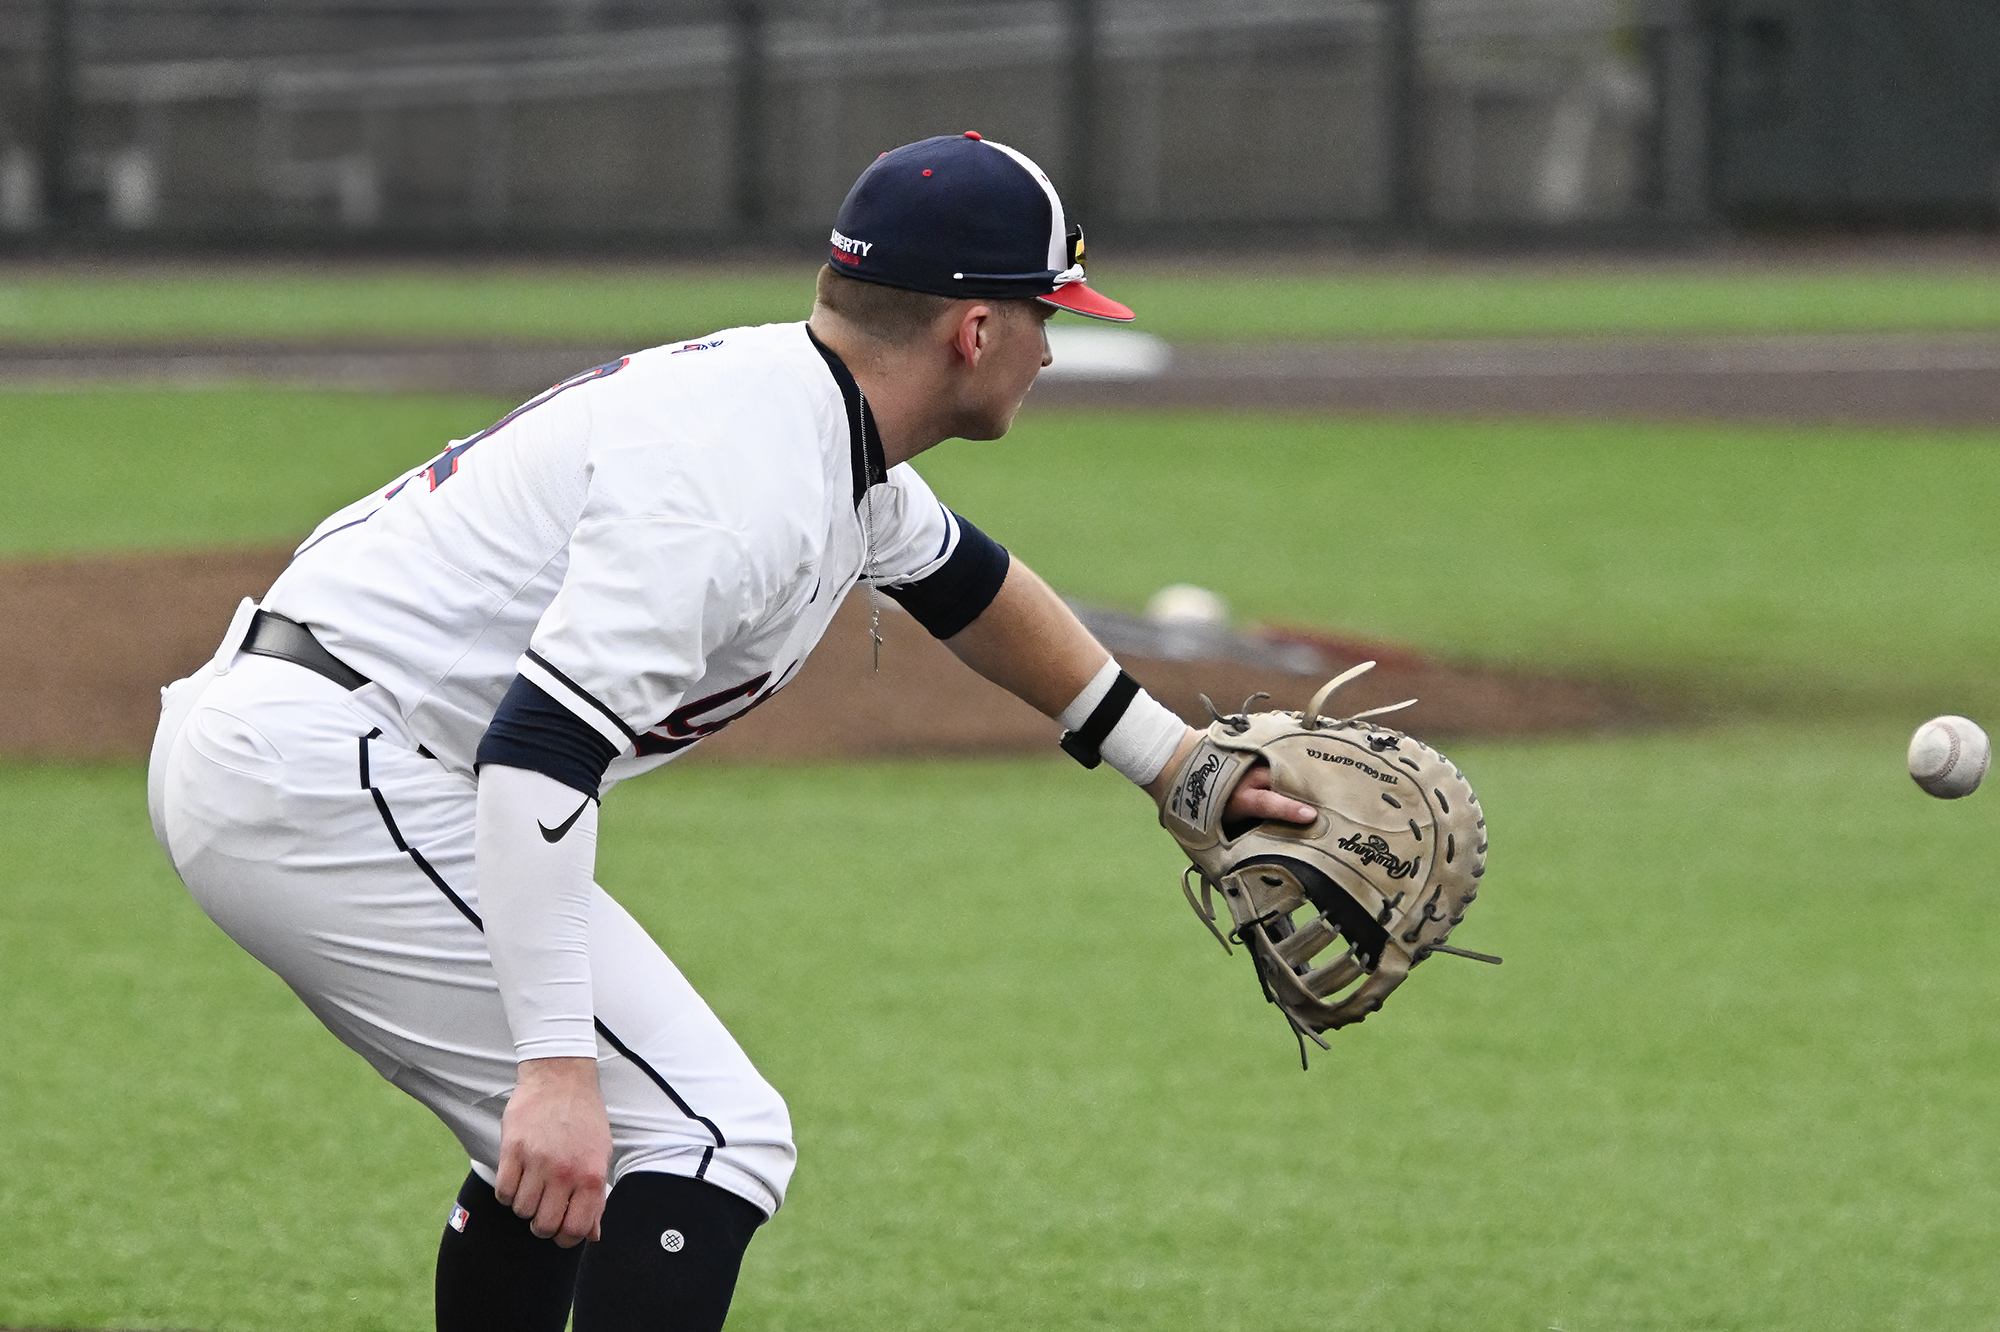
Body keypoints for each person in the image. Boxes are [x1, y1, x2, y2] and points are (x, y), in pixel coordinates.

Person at [146, 132, 1311, 1331]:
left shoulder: (804, 418)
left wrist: (1176, 766)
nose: (1051, 347)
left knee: (597, 1154)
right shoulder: (733, 488)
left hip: (332, 753)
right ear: (974, 331)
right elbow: (537, 760)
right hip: (329, 772)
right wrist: (555, 1063)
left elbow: (968, 586)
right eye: (1043, 313)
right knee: (706, 1134)